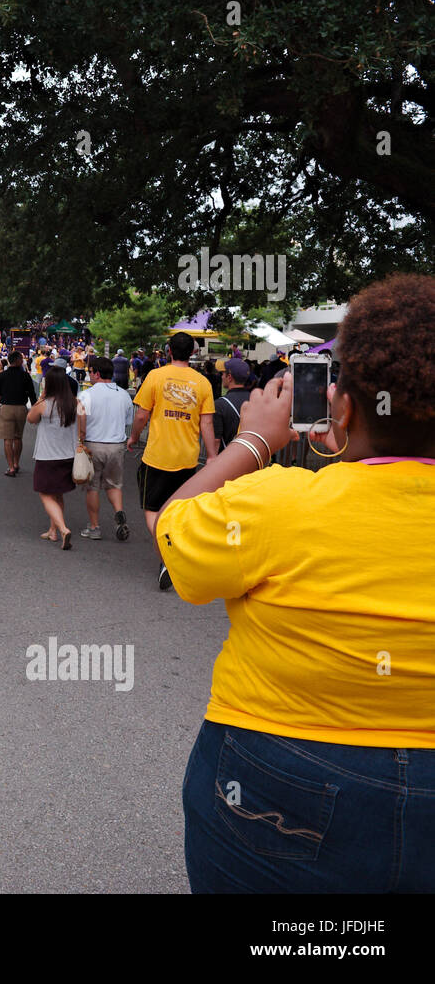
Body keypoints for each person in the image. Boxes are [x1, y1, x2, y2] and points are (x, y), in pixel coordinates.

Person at [160, 273, 435, 893]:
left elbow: (175, 531)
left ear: (340, 402)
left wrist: (254, 440)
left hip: (280, 775)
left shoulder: (279, 502)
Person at [128, 332, 217, 591]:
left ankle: (167, 556)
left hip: (156, 456)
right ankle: (176, 551)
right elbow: (207, 422)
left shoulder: (155, 376)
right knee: (179, 510)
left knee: (152, 509)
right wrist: (211, 455)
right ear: (191, 352)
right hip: (188, 459)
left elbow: (142, 414)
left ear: (168, 350)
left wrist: (133, 437)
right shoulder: (202, 383)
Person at [76, 357, 136, 541]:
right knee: (114, 484)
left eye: (90, 371)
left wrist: (80, 439)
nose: (89, 375)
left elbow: (81, 419)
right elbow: (128, 421)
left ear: (97, 373)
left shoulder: (87, 395)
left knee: (93, 487)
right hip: (116, 446)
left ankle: (95, 527)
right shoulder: (124, 395)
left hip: (93, 444)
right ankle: (119, 512)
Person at [27, 367, 85, 549]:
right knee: (57, 493)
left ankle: (62, 528)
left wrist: (41, 396)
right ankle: (52, 531)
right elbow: (83, 430)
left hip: (47, 456)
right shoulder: (77, 403)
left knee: (45, 493)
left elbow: (30, 419)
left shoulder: (44, 404)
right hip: (68, 455)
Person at [0, 350, 38, 477]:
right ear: (18, 361)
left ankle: (10, 467)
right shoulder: (25, 376)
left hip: (6, 408)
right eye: (22, 359)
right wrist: (35, 410)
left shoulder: (2, 376)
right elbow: (32, 395)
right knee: (18, 438)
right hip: (21, 408)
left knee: (7, 439)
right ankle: (16, 463)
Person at [212, 358, 255, 451]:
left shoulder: (220, 404)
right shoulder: (256, 401)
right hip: (252, 460)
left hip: (228, 461)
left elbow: (216, 440)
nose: (222, 377)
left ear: (229, 377)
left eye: (223, 374)